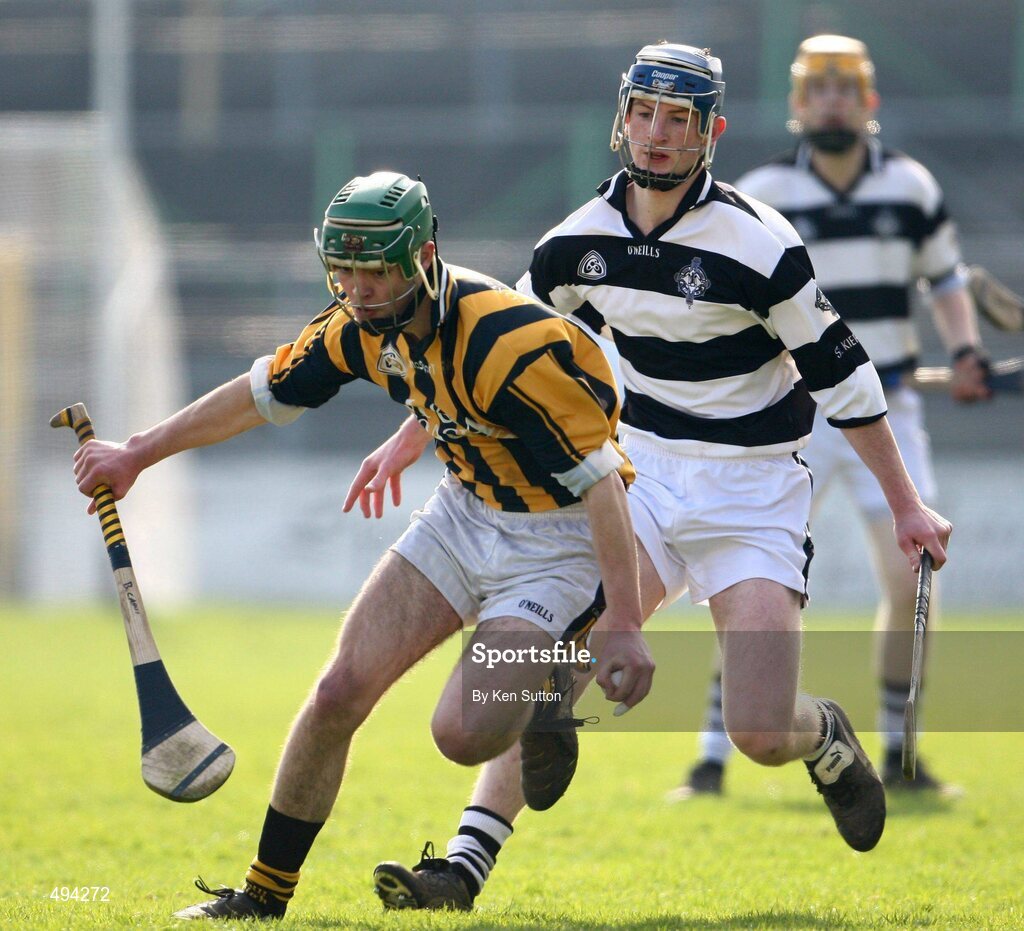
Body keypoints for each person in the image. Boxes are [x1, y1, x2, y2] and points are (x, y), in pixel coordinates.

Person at [346, 43, 953, 912]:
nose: (658, 135)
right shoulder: (575, 247)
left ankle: (822, 738)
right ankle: (465, 866)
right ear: (621, 117)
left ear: (712, 131)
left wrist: (907, 505)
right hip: (644, 477)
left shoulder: (762, 246)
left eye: (680, 119)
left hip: (753, 491)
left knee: (757, 729)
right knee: (559, 661)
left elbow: (846, 381)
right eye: (645, 113)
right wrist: (411, 438)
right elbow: (498, 349)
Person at [71, 170, 654, 921]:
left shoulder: (509, 345)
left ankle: (549, 692)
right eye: (343, 269)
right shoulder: (355, 325)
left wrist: (626, 623)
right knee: (339, 689)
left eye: (376, 268)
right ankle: (262, 893)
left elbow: (606, 486)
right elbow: (260, 393)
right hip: (465, 512)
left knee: (462, 734)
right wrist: (138, 454)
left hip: (562, 537)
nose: (359, 288)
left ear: (424, 256)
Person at [676, 34, 991, 801]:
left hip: (887, 407)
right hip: (787, 409)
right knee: (745, 571)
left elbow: (945, 279)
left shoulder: (911, 188)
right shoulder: (760, 192)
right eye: (816, 88)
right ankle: (712, 755)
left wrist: (967, 348)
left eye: (845, 87)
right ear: (797, 102)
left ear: (869, 100)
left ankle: (899, 750)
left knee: (910, 570)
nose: (831, 100)